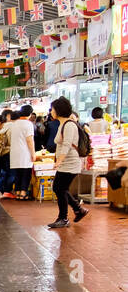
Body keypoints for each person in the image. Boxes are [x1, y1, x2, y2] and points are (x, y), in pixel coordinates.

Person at [48, 96, 91, 228]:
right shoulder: (63, 124)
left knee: (59, 188)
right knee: (61, 188)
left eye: (52, 109)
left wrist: (59, 161)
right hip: (66, 163)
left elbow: (67, 144)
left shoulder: (69, 125)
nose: (51, 112)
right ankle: (78, 210)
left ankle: (64, 218)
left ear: (58, 110)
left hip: (70, 163)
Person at [10, 105, 37, 200]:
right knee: (26, 173)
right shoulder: (28, 124)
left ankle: (17, 192)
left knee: (18, 173)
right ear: (30, 113)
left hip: (14, 152)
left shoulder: (14, 124)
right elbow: (29, 140)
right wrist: (33, 153)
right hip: (25, 152)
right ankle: (23, 193)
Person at [0, 109, 13, 196]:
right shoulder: (8, 127)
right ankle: (3, 190)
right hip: (5, 153)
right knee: (6, 173)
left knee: (2, 173)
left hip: (1, 154)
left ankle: (0, 190)